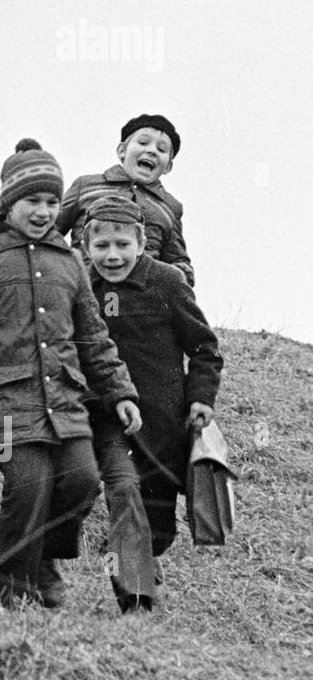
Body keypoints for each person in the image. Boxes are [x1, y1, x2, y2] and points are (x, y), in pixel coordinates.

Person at [0, 139, 140, 608]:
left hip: (65, 403)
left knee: (81, 482)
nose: (42, 211)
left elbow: (94, 338)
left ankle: (42, 561)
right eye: (31, 201)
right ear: (8, 203)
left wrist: (120, 392)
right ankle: (6, 591)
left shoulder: (70, 262)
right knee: (28, 486)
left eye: (52, 202)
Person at [82, 195, 224, 581]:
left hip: (163, 424)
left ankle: (145, 552)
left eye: (122, 244)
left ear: (142, 243)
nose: (112, 255)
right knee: (124, 490)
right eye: (101, 245)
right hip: (108, 416)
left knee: (159, 525)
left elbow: (204, 349)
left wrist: (200, 398)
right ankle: (134, 585)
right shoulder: (82, 287)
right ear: (86, 246)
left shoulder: (167, 282)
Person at [56, 114, 193, 285]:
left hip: (139, 301)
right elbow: (51, 231)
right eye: (143, 143)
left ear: (168, 166)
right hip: (84, 289)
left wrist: (169, 282)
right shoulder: (86, 186)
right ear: (122, 151)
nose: (151, 150)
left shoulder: (169, 207)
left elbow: (179, 262)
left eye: (162, 149)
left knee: (115, 308)